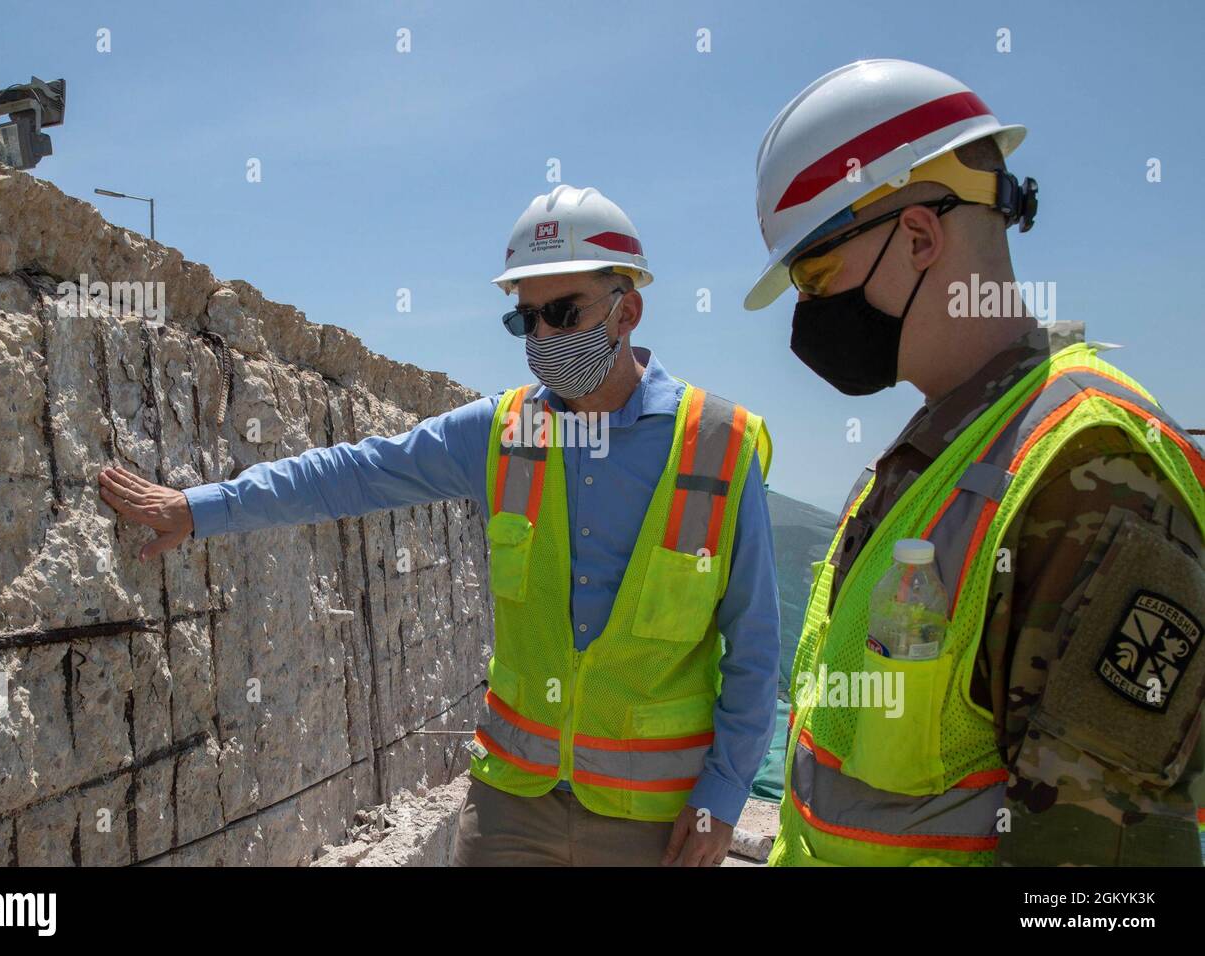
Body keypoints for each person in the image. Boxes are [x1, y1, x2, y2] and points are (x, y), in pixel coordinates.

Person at [98, 184, 780, 867]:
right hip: (512, 803)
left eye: (563, 313)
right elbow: (352, 474)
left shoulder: (719, 445)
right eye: (525, 320)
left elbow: (753, 645)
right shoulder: (503, 431)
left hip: (652, 822)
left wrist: (723, 796)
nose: (541, 338)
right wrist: (200, 508)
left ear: (627, 309)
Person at [744, 58, 1205, 866]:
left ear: (919, 237)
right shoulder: (940, 451)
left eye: (814, 273)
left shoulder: (1091, 472)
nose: (806, 310)